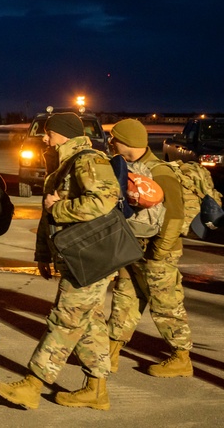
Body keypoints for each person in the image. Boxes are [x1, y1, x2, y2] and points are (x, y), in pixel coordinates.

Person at [0, 112, 120, 410]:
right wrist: (42, 254)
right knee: (90, 325)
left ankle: (33, 384)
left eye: (49, 134)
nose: (45, 138)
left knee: (65, 319)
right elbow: (47, 218)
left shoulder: (89, 160)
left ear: (64, 134)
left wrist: (61, 207)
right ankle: (96, 390)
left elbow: (105, 200)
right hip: (73, 257)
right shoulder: (62, 164)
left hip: (89, 258)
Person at [107, 118, 193, 377]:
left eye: (114, 140)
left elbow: (175, 216)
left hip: (157, 252)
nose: (111, 144)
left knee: (165, 303)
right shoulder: (127, 168)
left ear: (126, 142)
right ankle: (110, 352)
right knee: (125, 297)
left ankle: (181, 357)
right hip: (132, 248)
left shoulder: (159, 171)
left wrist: (159, 253)